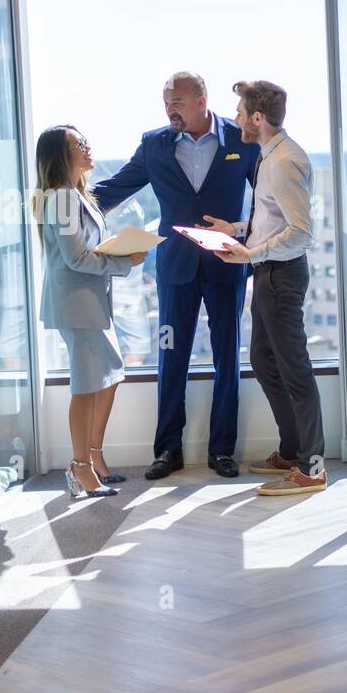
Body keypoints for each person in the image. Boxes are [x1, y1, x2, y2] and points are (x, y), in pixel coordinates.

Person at [92, 72, 260, 480]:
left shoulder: (240, 139)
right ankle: (168, 450)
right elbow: (114, 190)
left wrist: (246, 235)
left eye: (179, 102)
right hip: (175, 270)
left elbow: (267, 203)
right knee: (171, 359)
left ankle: (223, 450)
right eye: (167, 102)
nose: (170, 110)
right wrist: (64, 202)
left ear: (202, 100)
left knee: (227, 359)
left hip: (227, 266)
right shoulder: (155, 144)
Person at [206, 81, 326, 496]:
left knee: (295, 369)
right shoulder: (269, 157)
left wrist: (248, 255)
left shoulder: (285, 161)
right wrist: (237, 231)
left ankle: (312, 467)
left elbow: (300, 233)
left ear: (258, 118)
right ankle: (292, 452)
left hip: (281, 274)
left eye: (240, 111)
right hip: (267, 272)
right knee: (262, 359)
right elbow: (270, 219)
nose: (235, 117)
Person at [33, 125, 147, 498]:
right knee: (85, 389)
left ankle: (90, 457)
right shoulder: (62, 199)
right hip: (77, 306)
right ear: (59, 156)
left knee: (109, 376)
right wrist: (123, 261)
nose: (86, 146)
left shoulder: (76, 196)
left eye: (84, 140)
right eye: (76, 144)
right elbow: (77, 257)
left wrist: (119, 254)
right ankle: (81, 467)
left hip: (90, 304)